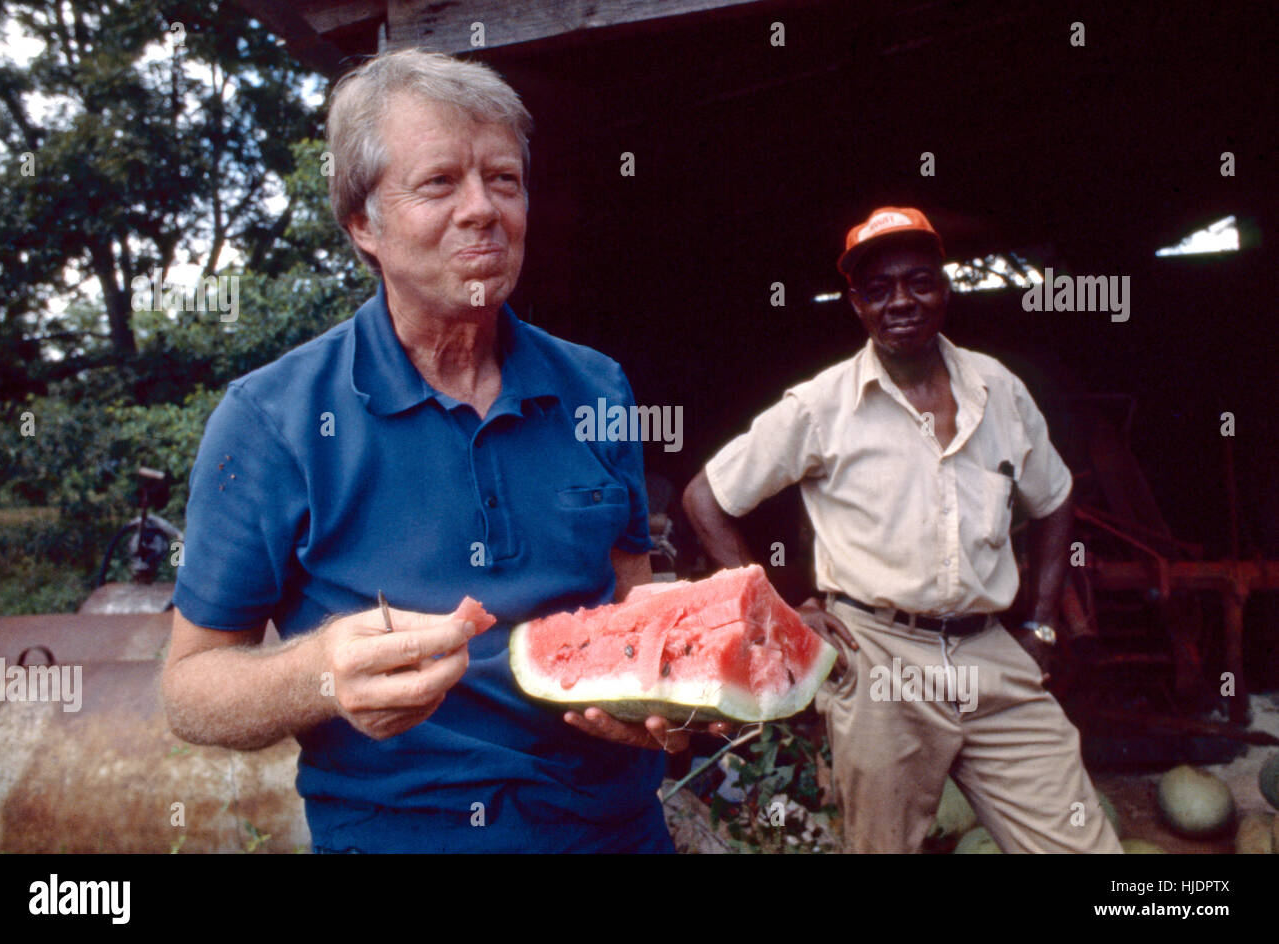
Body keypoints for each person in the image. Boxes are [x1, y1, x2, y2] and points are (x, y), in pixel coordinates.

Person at [161, 47, 722, 854]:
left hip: (615, 832)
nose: (483, 209)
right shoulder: (271, 419)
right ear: (363, 225)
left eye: (503, 179)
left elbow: (632, 601)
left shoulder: (599, 389)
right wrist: (319, 673)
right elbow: (191, 689)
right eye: (439, 183)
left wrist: (675, 695)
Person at [682, 207, 1121, 853]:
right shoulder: (821, 404)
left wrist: (1044, 624)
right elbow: (707, 499)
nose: (901, 301)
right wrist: (773, 612)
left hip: (993, 652)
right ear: (855, 303)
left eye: (919, 281)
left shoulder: (999, 389)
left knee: (1081, 845)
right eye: (878, 289)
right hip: (880, 658)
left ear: (945, 288)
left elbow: (1055, 500)